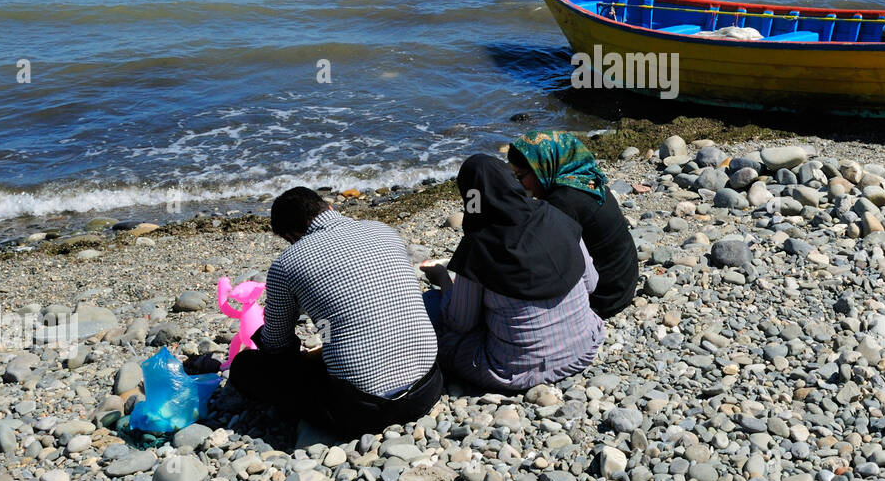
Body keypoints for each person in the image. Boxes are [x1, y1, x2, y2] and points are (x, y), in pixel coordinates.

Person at [228, 187, 442, 435]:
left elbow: (277, 346)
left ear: (290, 236)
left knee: (245, 367)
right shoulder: (384, 230)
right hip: (428, 389)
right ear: (328, 207)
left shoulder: (286, 264)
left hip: (363, 412)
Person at [421, 155, 603, 393]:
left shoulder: (479, 245)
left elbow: (461, 323)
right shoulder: (555, 216)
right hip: (584, 348)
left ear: (470, 197)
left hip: (513, 371)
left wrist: (443, 280)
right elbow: (591, 283)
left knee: (431, 305)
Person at [508, 131, 639, 318]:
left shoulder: (563, 202)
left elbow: (551, 261)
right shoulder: (586, 179)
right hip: (623, 279)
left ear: (542, 167)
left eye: (520, 176)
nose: (520, 184)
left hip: (605, 296)